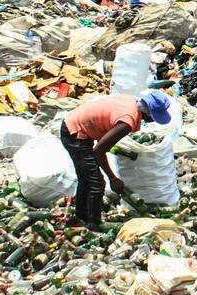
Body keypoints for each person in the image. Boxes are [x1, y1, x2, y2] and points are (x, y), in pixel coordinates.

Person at [59, 90, 172, 229]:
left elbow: (105, 125)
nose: (154, 120)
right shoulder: (127, 122)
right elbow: (99, 150)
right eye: (155, 117)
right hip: (75, 133)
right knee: (96, 182)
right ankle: (94, 224)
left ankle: (81, 217)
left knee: (86, 178)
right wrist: (112, 178)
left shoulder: (132, 100)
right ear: (149, 113)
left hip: (73, 124)